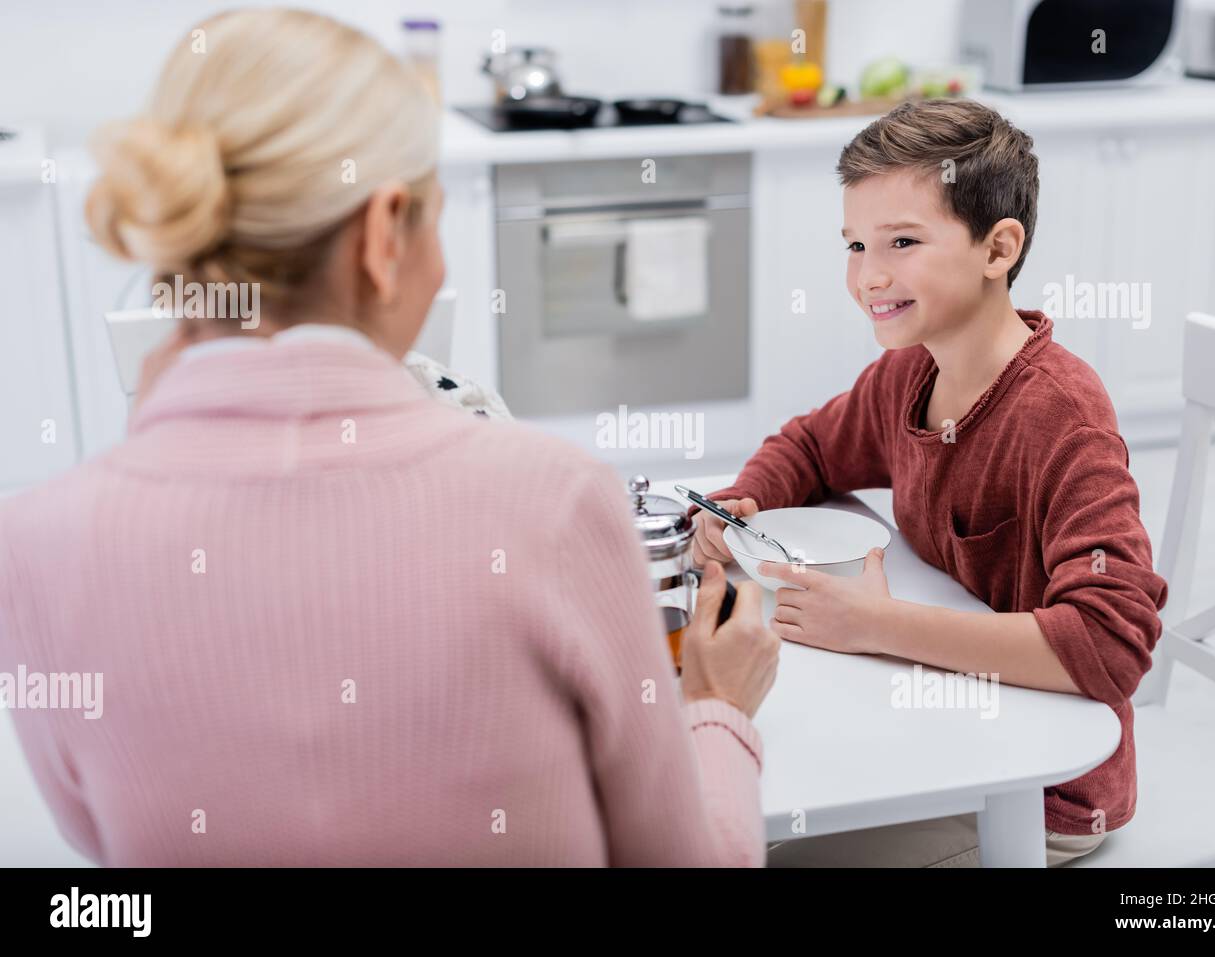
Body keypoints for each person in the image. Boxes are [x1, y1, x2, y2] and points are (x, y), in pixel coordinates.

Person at [0, 8, 778, 866]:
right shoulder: (553, 502)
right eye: (433, 220)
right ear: (382, 236)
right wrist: (717, 705)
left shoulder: (30, 546)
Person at [691, 99, 1167, 867]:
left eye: (903, 241)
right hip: (949, 736)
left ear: (998, 248)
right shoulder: (912, 370)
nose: (868, 275)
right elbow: (812, 446)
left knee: (760, 842)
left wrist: (878, 626)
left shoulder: (1061, 415)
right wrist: (746, 500)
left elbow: (1113, 643)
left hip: (1041, 792)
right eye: (855, 244)